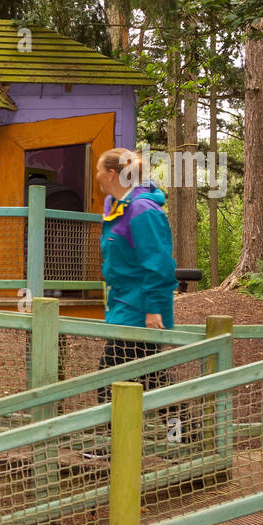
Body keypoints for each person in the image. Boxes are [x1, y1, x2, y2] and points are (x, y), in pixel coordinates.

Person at [94, 147, 177, 400]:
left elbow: (159, 264)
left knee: (109, 384)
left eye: (98, 170)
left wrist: (153, 309)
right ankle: (184, 435)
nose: (95, 175)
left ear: (110, 174)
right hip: (121, 305)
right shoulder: (115, 205)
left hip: (140, 311)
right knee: (152, 384)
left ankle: (114, 437)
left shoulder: (142, 210)